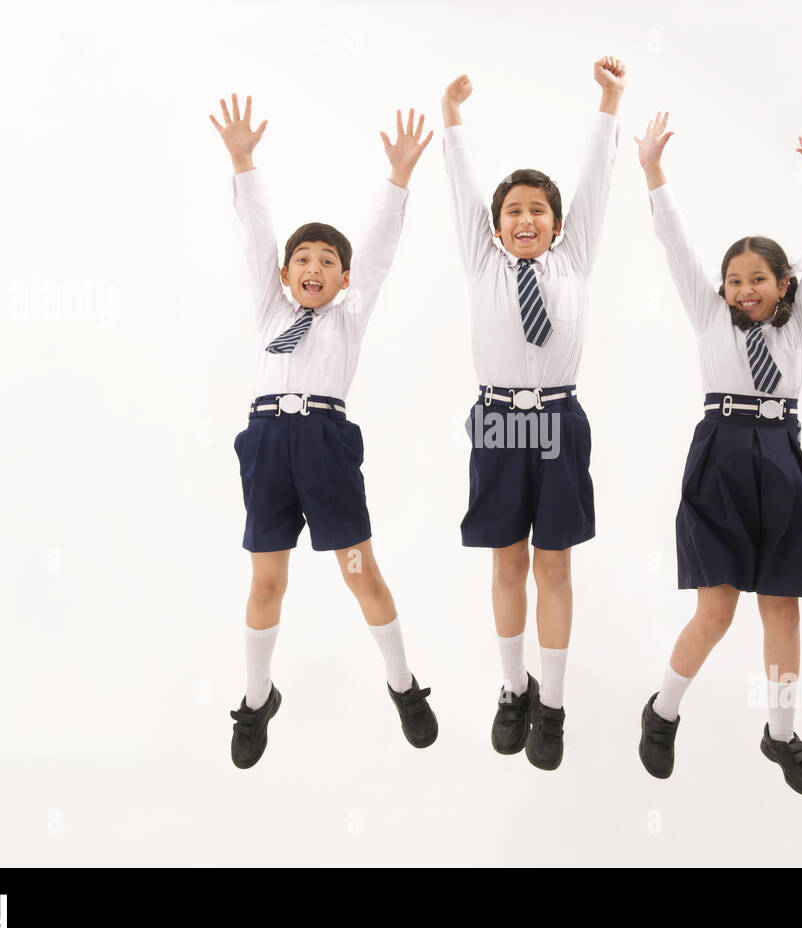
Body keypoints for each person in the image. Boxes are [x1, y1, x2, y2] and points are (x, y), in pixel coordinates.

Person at [209, 93, 438, 769]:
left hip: (326, 444)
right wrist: (244, 162)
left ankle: (402, 682)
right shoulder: (268, 308)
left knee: (360, 569)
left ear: (341, 280)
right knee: (265, 583)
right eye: (302, 259)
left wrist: (397, 178)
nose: (314, 267)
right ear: (286, 275)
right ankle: (256, 698)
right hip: (265, 446)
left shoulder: (346, 316)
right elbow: (254, 234)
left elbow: (378, 253)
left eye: (327, 262)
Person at [635, 112, 802, 794]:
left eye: (759, 278)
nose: (745, 289)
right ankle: (663, 709)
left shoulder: (799, 327)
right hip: (720, 459)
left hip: (780, 460)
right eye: (735, 280)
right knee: (717, 608)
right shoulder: (709, 318)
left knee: (782, 606)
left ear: (784, 285)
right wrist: (653, 172)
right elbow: (676, 244)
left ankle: (781, 734)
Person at [440, 58, 626, 771]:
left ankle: (551, 703)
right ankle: (512, 689)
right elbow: (461, 186)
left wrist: (609, 103)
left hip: (556, 420)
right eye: (513, 210)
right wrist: (451, 119)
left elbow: (597, 183)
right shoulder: (483, 263)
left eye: (538, 210)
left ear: (557, 224)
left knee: (554, 563)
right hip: (495, 421)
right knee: (507, 561)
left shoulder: (573, 258)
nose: (525, 218)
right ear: (495, 227)